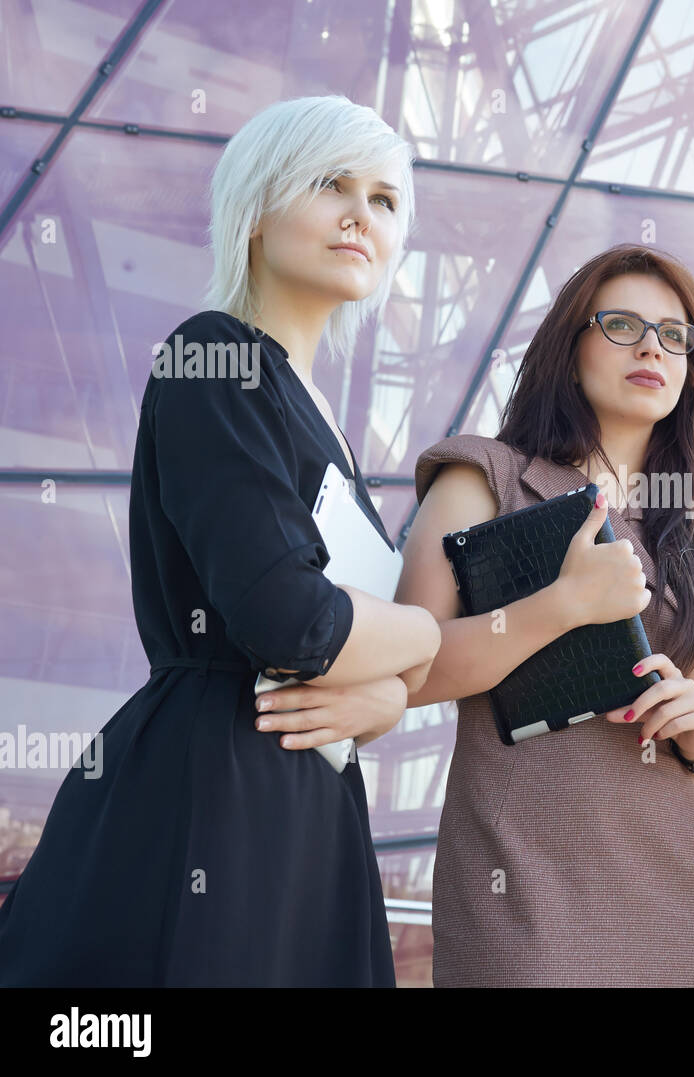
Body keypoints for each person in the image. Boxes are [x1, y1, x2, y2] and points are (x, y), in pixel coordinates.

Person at [0, 95, 441, 987]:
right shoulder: (214, 356)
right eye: (331, 184)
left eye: (385, 199)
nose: (362, 213)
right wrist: (423, 642)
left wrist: (387, 699)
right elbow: (291, 617)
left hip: (308, 805)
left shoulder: (334, 429)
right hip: (214, 790)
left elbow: (337, 633)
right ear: (255, 211)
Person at [397, 244, 694, 987]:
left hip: (674, 894)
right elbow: (405, 671)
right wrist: (563, 605)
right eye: (622, 324)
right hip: (522, 882)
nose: (652, 345)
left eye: (675, 335)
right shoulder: (485, 477)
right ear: (568, 344)